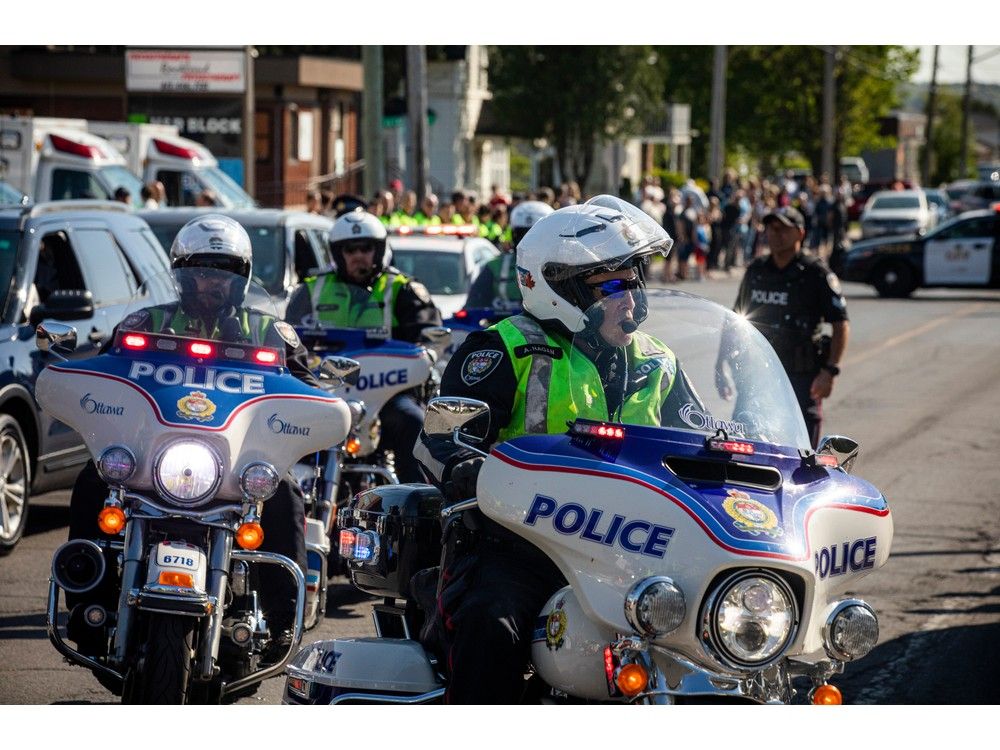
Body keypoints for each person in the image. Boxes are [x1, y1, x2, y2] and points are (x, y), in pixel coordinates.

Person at [415, 195, 700, 704]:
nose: (629, 301)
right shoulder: (503, 347)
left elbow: (701, 438)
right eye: (611, 287)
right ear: (557, 290)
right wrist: (462, 463)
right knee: (491, 627)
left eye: (634, 281)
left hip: (637, 550)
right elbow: (437, 439)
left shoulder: (659, 362)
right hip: (522, 547)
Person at [65, 215, 316, 663]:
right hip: (151, 458)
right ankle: (87, 604)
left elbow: (310, 390)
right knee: (92, 479)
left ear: (242, 280)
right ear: (180, 273)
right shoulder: (145, 322)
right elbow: (101, 375)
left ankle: (281, 620)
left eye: (223, 274)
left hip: (236, 465)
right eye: (200, 272)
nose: (211, 283)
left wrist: (323, 401)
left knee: (287, 494)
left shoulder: (271, 333)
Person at [285, 209, 442, 483]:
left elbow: (429, 338)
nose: (358, 255)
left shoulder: (403, 290)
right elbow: (287, 339)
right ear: (337, 253)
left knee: (414, 421)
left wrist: (427, 351)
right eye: (350, 249)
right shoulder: (309, 290)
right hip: (323, 393)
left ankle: (415, 502)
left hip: (385, 396)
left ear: (379, 250)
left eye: (366, 248)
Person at [722, 206, 849, 447]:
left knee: (800, 455)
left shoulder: (815, 273)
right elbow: (735, 319)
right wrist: (723, 364)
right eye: (770, 228)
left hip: (801, 378)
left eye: (783, 229)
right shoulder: (756, 270)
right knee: (742, 448)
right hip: (757, 376)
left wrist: (830, 372)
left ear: (800, 233)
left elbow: (841, 324)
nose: (775, 234)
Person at [464, 200, 553, 310]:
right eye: (521, 234)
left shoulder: (564, 267)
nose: (527, 241)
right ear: (513, 235)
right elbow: (473, 306)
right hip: (507, 325)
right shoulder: (496, 266)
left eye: (535, 235)